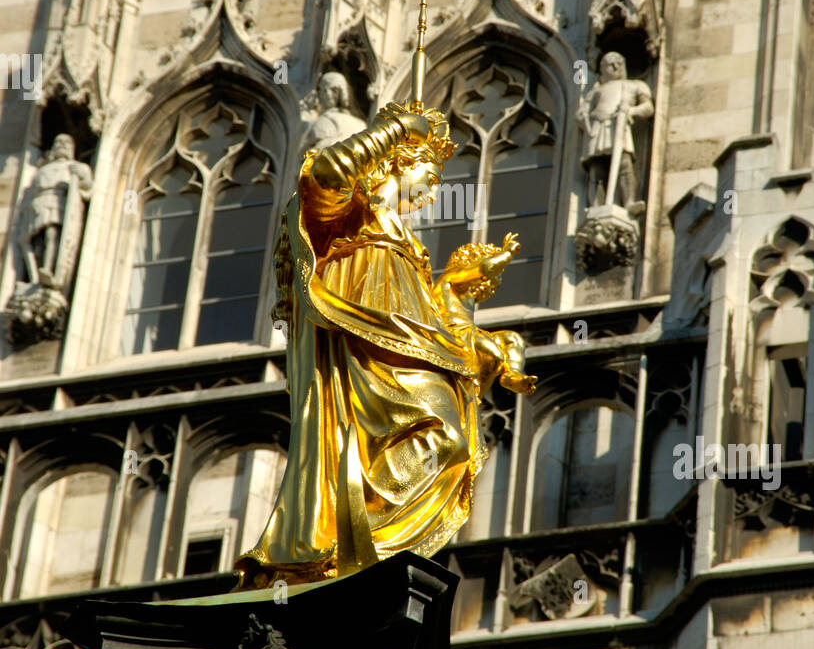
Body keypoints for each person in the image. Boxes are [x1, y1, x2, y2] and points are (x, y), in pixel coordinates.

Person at [233, 100, 532, 588]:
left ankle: (366, 532)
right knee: (442, 437)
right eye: (431, 175)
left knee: (452, 445)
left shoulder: (407, 242)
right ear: (401, 162)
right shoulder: (351, 212)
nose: (434, 190)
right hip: (357, 347)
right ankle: (350, 528)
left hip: (404, 346)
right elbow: (325, 175)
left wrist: (461, 286)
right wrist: (390, 131)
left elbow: (439, 316)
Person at [577, 52, 653, 211]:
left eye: (619, 62)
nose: (616, 66)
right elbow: (581, 112)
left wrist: (631, 111)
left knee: (624, 163)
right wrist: (587, 117)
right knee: (597, 169)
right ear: (602, 69)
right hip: (599, 128)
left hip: (619, 126)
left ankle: (629, 203)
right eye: (610, 64)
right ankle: (596, 206)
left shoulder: (635, 85)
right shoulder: (597, 90)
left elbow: (648, 108)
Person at [18, 134, 93, 288]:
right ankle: (35, 276)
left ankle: (49, 269)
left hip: (58, 203)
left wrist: (81, 175)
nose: (62, 145)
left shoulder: (76, 166)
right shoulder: (43, 170)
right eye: (58, 142)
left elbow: (88, 187)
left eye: (66, 143)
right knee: (35, 241)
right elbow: (32, 192)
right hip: (40, 204)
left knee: (51, 235)